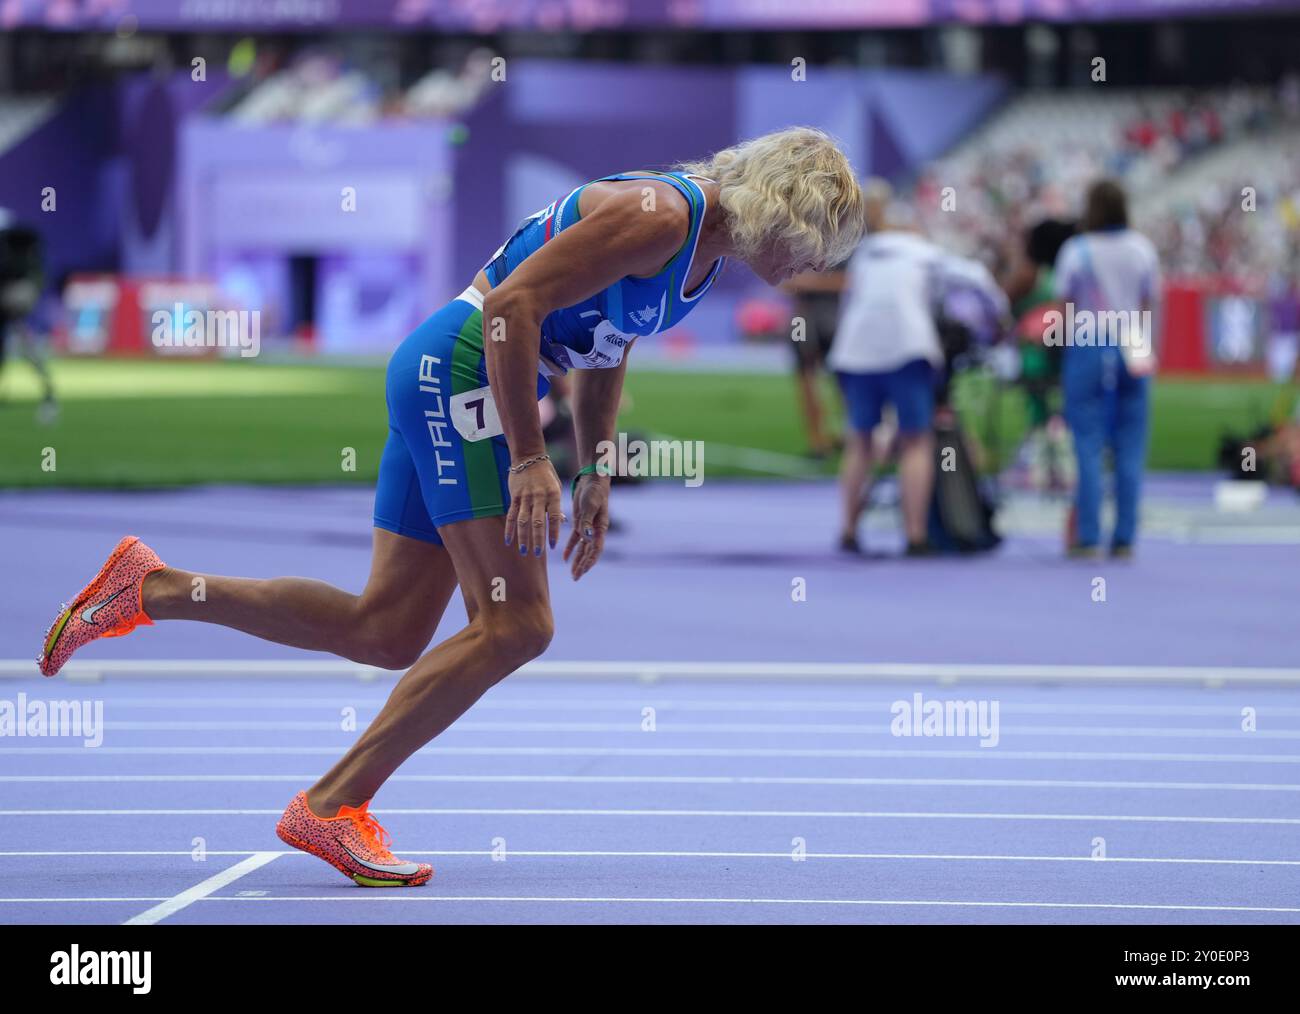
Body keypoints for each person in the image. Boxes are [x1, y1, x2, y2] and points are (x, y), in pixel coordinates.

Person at [37, 126, 865, 886]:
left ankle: (149, 589)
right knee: (517, 624)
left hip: (451, 371)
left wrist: (596, 468)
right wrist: (532, 460)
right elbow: (512, 308)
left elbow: (606, 350)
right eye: (817, 243)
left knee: (385, 630)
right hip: (465, 365)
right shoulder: (659, 213)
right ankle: (328, 806)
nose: (814, 268)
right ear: (780, 204)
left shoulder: (700, 259)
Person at [829, 180, 1004, 556]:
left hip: (856, 350)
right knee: (915, 440)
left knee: (860, 440)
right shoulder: (926, 254)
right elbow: (978, 278)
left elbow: (848, 305)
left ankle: (847, 528)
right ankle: (915, 534)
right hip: (907, 349)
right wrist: (997, 321)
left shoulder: (864, 254)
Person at [1054, 179, 1161, 559]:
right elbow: (1149, 303)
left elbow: (1064, 304)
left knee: (1088, 442)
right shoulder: (1142, 249)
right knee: (1131, 444)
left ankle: (1088, 536)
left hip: (1088, 341)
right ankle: (1125, 538)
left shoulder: (1076, 249)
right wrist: (1145, 348)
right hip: (1132, 341)